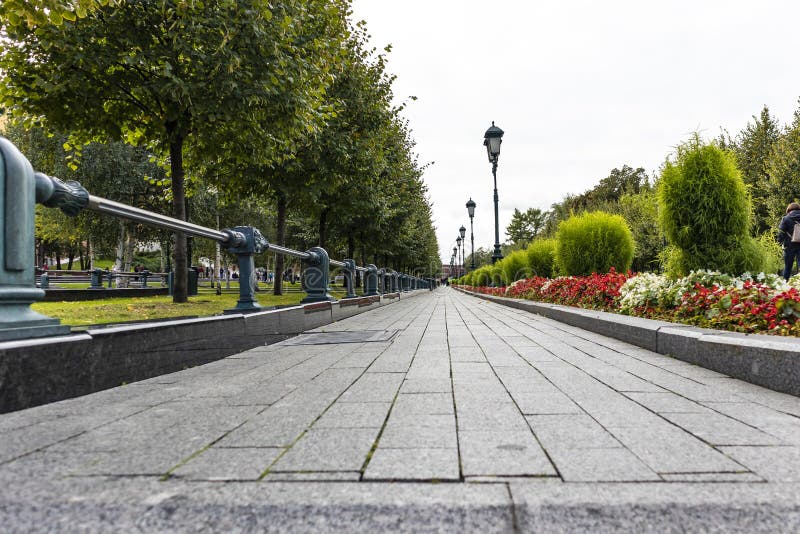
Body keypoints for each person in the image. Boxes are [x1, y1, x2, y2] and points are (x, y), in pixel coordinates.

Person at [778, 202, 800, 280]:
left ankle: (785, 285)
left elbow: (781, 232)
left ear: (789, 209)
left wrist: (779, 242)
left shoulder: (786, 218)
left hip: (789, 245)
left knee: (788, 267)